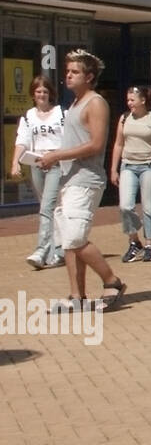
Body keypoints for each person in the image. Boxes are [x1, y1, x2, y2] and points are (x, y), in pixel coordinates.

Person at [39, 51, 124, 310]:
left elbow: (97, 145)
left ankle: (112, 281)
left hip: (86, 180)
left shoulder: (95, 103)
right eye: (67, 71)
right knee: (67, 240)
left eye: (74, 72)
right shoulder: (74, 104)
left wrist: (58, 155)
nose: (68, 75)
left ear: (89, 76)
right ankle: (77, 296)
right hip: (68, 178)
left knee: (75, 238)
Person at [11, 75, 65, 270]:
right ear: (33, 94)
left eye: (45, 91)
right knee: (48, 208)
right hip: (36, 163)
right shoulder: (28, 116)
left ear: (50, 94)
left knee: (47, 207)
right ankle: (58, 250)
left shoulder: (60, 113)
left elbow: (68, 139)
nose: (42, 95)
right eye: (38, 92)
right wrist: (15, 163)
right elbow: (22, 141)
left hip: (56, 163)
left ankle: (42, 249)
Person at [109, 85, 151, 264]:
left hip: (149, 164)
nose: (129, 103)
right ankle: (134, 242)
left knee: (148, 206)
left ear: (143, 100)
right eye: (128, 100)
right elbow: (118, 144)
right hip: (128, 165)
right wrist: (113, 168)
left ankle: (150, 245)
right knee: (125, 205)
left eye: (132, 99)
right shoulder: (124, 118)